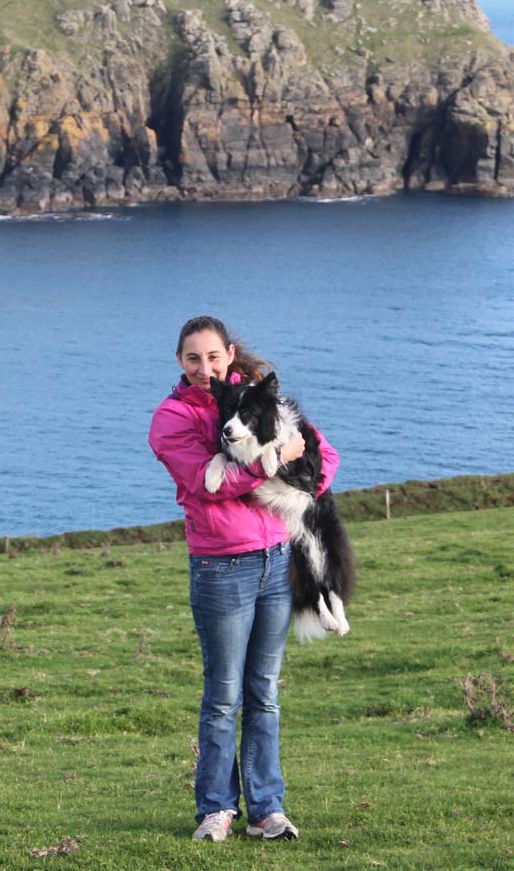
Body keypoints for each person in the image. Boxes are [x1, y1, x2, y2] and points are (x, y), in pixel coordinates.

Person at [148, 315, 337, 842]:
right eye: (192, 358)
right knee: (223, 696)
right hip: (220, 568)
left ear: (229, 354)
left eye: (212, 356)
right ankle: (215, 809)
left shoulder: (256, 399)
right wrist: (276, 459)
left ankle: (267, 810)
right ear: (180, 363)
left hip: (276, 559)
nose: (204, 367)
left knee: (265, 693)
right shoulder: (172, 418)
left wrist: (306, 475)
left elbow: (325, 452)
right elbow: (208, 486)